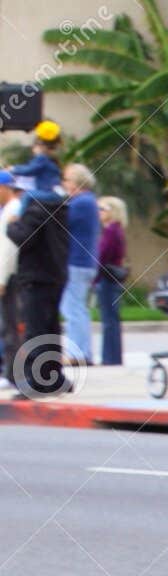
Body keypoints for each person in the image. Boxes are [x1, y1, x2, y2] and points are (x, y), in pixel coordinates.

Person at [5, 156, 71, 397]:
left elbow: (23, 237)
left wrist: (12, 225)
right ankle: (54, 377)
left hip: (37, 276)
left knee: (35, 329)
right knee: (51, 328)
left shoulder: (35, 210)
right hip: (56, 273)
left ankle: (35, 380)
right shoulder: (61, 207)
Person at [59, 162, 98, 364]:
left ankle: (78, 353)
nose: (64, 184)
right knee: (77, 307)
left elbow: (59, 221)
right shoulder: (88, 201)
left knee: (72, 308)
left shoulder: (80, 203)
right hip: (84, 262)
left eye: (66, 180)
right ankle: (81, 350)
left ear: (76, 182)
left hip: (76, 261)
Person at [94, 194, 127, 366]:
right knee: (111, 319)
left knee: (109, 320)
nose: (98, 212)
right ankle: (112, 356)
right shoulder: (114, 230)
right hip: (109, 279)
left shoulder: (111, 231)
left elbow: (101, 254)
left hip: (107, 279)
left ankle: (111, 358)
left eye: (102, 209)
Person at [0, 170, 20, 386]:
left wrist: (2, 279)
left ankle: (12, 373)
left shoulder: (12, 210)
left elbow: (7, 249)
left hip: (9, 276)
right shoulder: (8, 209)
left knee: (9, 325)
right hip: (8, 274)